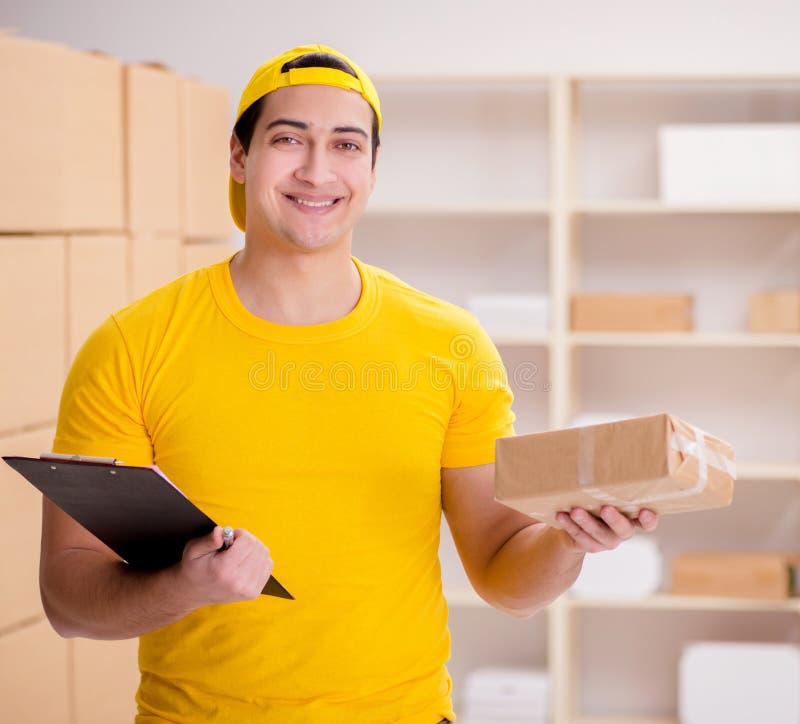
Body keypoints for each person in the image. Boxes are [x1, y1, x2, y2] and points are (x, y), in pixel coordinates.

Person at [40, 44, 658, 723]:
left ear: (370, 169)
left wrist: (571, 540)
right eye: (287, 139)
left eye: (345, 145)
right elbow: (70, 598)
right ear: (240, 158)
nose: (316, 170)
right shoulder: (132, 346)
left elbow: (506, 575)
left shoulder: (451, 345)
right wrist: (186, 585)